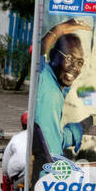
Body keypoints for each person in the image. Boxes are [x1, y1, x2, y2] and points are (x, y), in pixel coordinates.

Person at [35, 23, 88, 163]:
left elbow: (54, 138)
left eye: (80, 63)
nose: (74, 68)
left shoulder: (58, 89)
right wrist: (59, 29)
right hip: (44, 172)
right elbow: (39, 50)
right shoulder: (42, 77)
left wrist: (80, 127)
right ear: (53, 56)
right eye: (69, 59)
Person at [0, 111, 29, 191]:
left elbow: (7, 156)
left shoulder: (16, 137)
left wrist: (5, 172)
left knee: (5, 175)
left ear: (22, 124)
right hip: (35, 166)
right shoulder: (40, 136)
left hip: (17, 167)